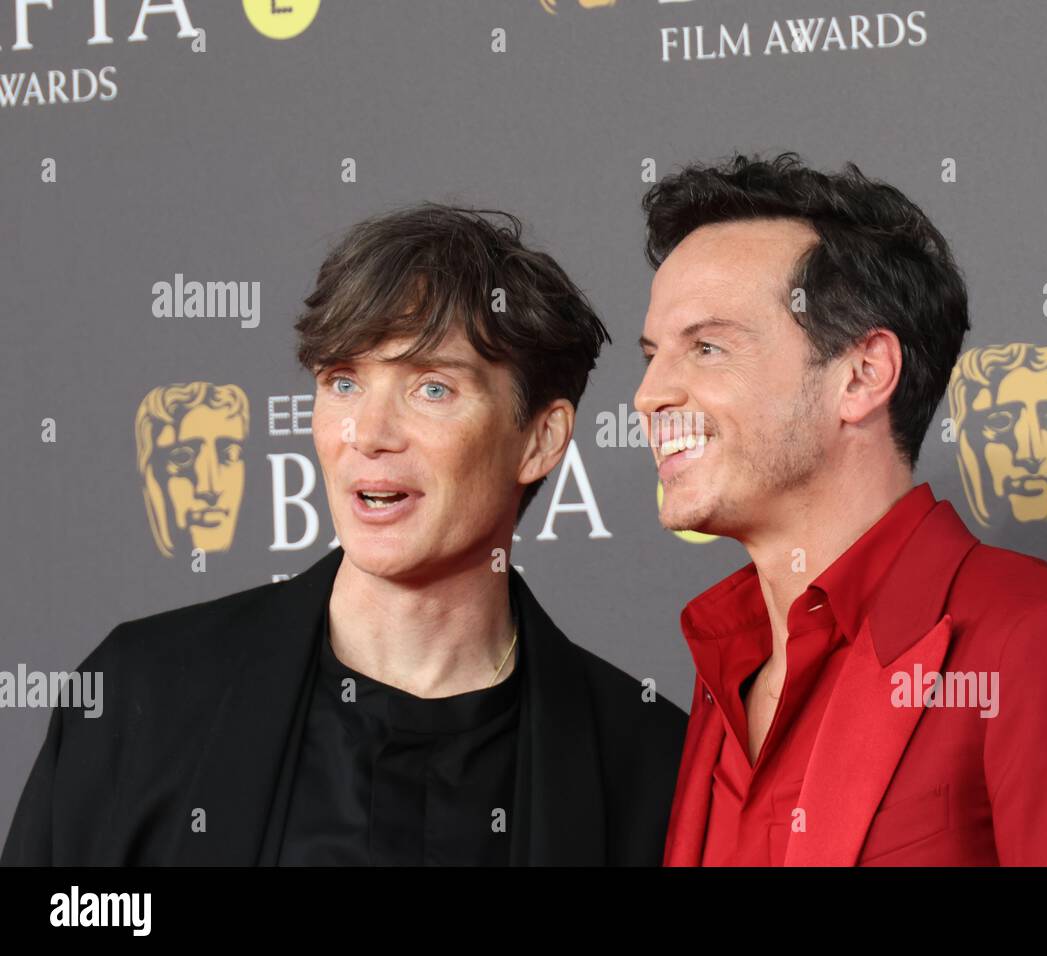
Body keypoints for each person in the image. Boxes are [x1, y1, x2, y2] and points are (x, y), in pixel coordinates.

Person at [3, 202, 686, 866]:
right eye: (342, 382)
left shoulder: (647, 759)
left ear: (539, 440)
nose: (368, 434)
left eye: (432, 389)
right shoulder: (140, 695)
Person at [633, 152, 1047, 865]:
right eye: (653, 355)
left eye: (708, 348)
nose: (650, 394)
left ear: (862, 374)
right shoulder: (728, 672)